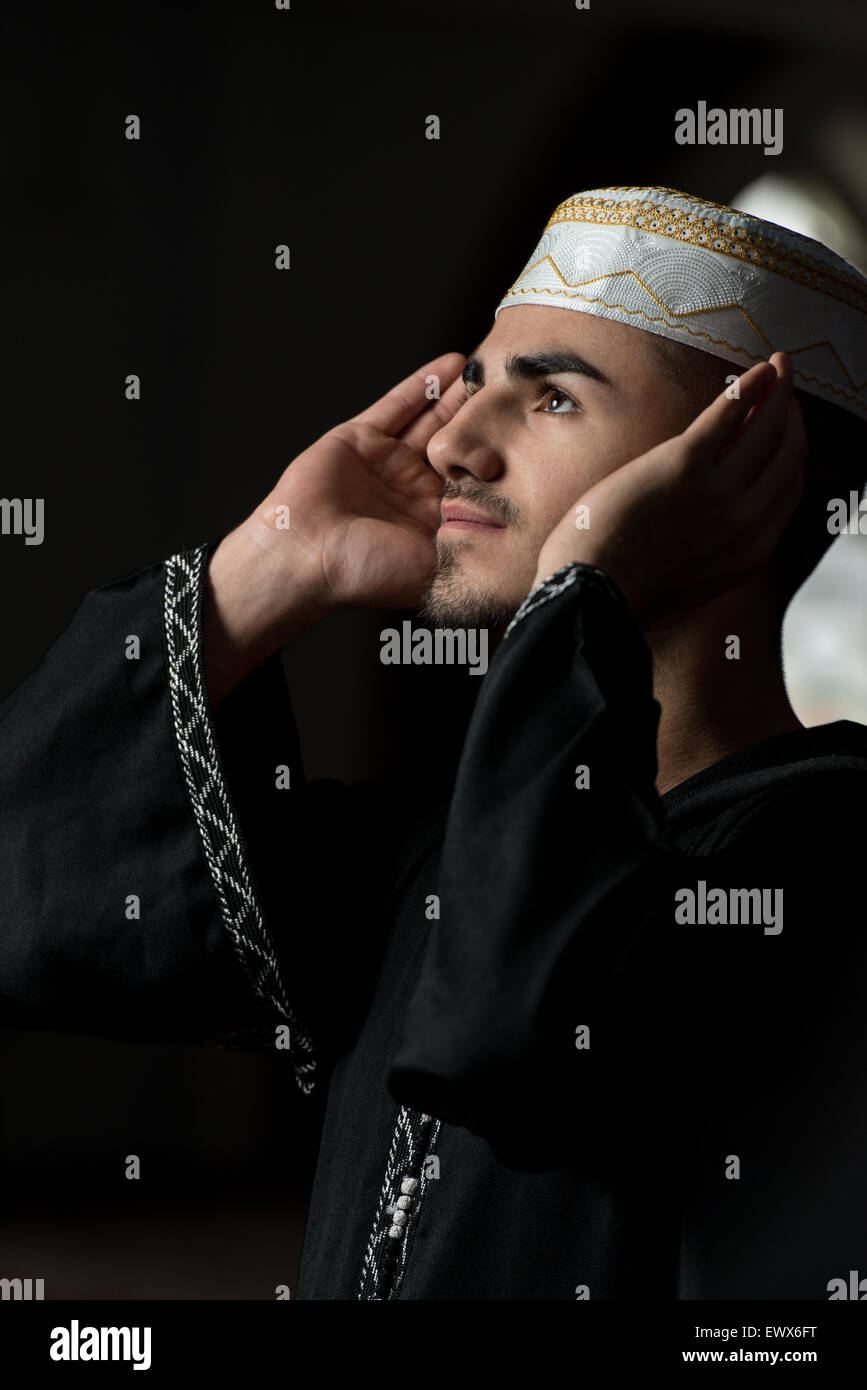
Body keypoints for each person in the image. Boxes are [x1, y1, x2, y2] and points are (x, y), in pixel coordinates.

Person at [3, 185, 867, 1300]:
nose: (453, 440)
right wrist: (274, 561)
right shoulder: (426, 862)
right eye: (473, 386)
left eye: (551, 397)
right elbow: (30, 883)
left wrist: (585, 583)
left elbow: (511, 1031)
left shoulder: (825, 863)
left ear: (746, 454)